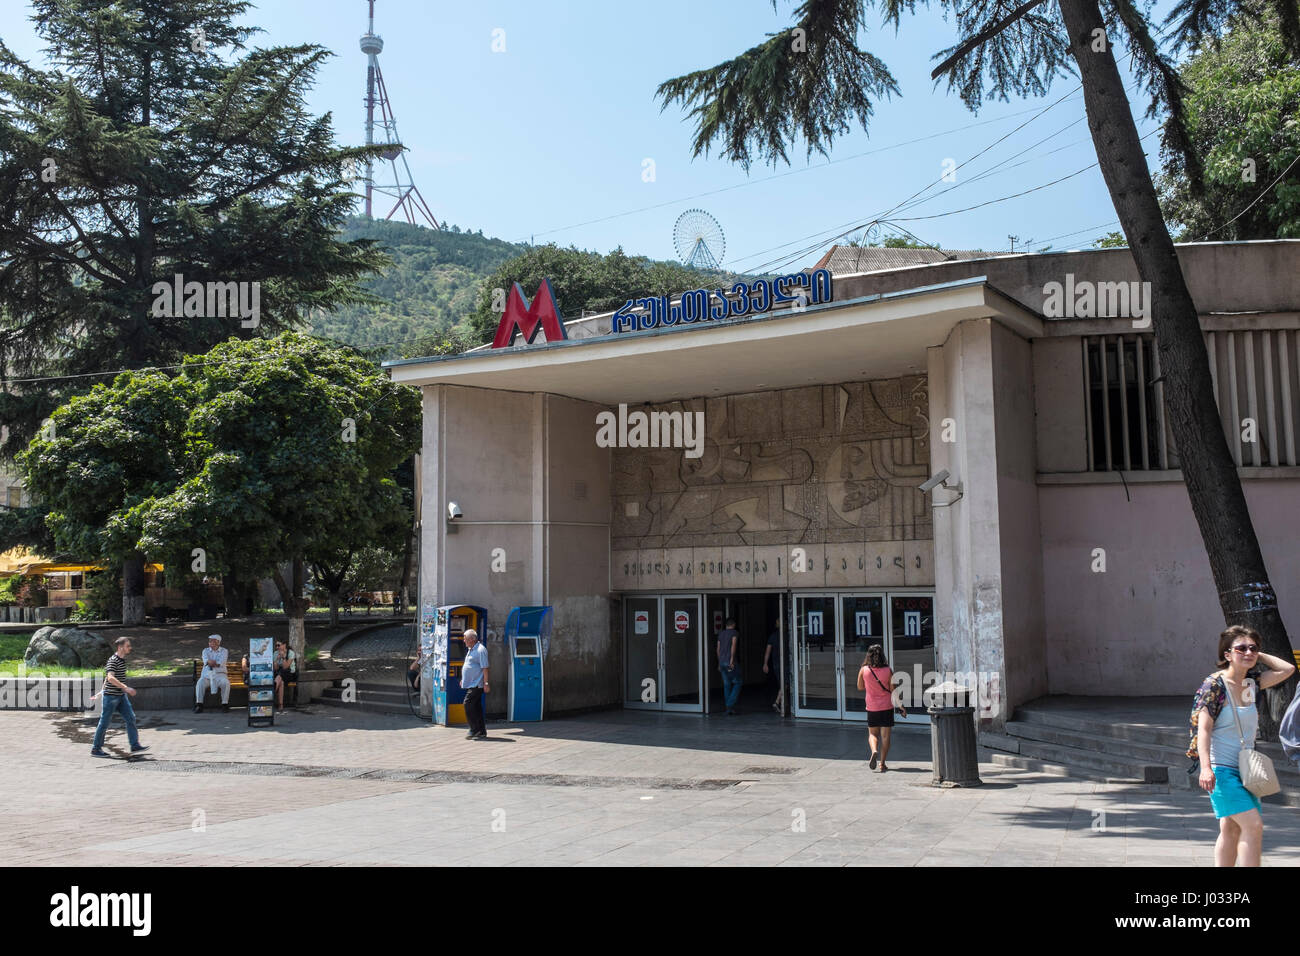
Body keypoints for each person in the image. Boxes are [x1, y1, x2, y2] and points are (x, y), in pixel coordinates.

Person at [1189, 624, 1295, 867]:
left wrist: (1258, 654)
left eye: (1253, 648)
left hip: (1245, 770)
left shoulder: (1251, 683)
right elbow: (1203, 730)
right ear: (1227, 654)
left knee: (1231, 829)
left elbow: (1287, 669)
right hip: (1221, 771)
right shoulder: (1213, 686)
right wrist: (1205, 768)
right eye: (1241, 648)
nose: (1248, 652)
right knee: (1253, 825)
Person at [91, 636, 148, 757]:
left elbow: (107, 678)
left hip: (120, 697)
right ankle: (96, 749)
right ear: (120, 647)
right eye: (128, 646)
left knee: (130, 718)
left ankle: (134, 745)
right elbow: (111, 677)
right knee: (104, 723)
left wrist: (101, 690)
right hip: (111, 697)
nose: (130, 648)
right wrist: (125, 688)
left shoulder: (121, 660)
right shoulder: (113, 660)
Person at [857, 644, 906, 772]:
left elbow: (860, 687)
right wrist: (901, 706)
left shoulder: (864, 670)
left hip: (872, 707)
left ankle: (874, 750)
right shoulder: (888, 670)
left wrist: (870, 685)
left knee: (873, 734)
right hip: (886, 707)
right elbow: (893, 691)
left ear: (868, 655)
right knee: (885, 737)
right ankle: (882, 763)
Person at [461, 628, 490, 739]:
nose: (464, 641)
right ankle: (481, 731)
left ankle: (474, 729)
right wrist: (463, 679)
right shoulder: (471, 649)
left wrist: (486, 683)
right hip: (471, 683)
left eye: (466, 639)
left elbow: (485, 668)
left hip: (477, 684)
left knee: (467, 704)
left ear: (472, 639)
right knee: (476, 706)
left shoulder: (480, 650)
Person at [195, 633, 230, 713]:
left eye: (212, 641)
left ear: (218, 642)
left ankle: (225, 704)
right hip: (207, 675)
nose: (210, 642)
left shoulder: (224, 651)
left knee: (226, 683)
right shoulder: (205, 651)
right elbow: (206, 661)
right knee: (200, 683)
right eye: (209, 641)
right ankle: (199, 704)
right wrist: (213, 663)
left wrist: (213, 663)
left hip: (220, 675)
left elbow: (221, 662)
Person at [717, 617, 742, 715]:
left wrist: (719, 662)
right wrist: (731, 660)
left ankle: (728, 710)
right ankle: (729, 704)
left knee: (727, 685)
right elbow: (733, 646)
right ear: (733, 624)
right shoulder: (734, 633)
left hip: (722, 662)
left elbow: (718, 649)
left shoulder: (721, 633)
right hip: (729, 662)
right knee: (738, 682)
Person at [762, 619, 784, 713]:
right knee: (785, 683)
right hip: (785, 664)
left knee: (783, 683)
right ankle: (777, 702)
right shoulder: (788, 635)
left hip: (776, 664)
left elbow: (768, 651)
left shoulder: (772, 636)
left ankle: (782, 704)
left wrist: (765, 663)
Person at [273, 639, 298, 713]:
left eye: (279, 645)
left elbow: (286, 667)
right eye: (276, 645)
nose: (277, 647)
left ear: (284, 645)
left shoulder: (291, 653)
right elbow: (275, 668)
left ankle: (273, 689)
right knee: (281, 682)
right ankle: (281, 705)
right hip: (280, 675)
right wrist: (277, 660)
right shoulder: (275, 653)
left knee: (282, 673)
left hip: (290, 674)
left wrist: (283, 657)